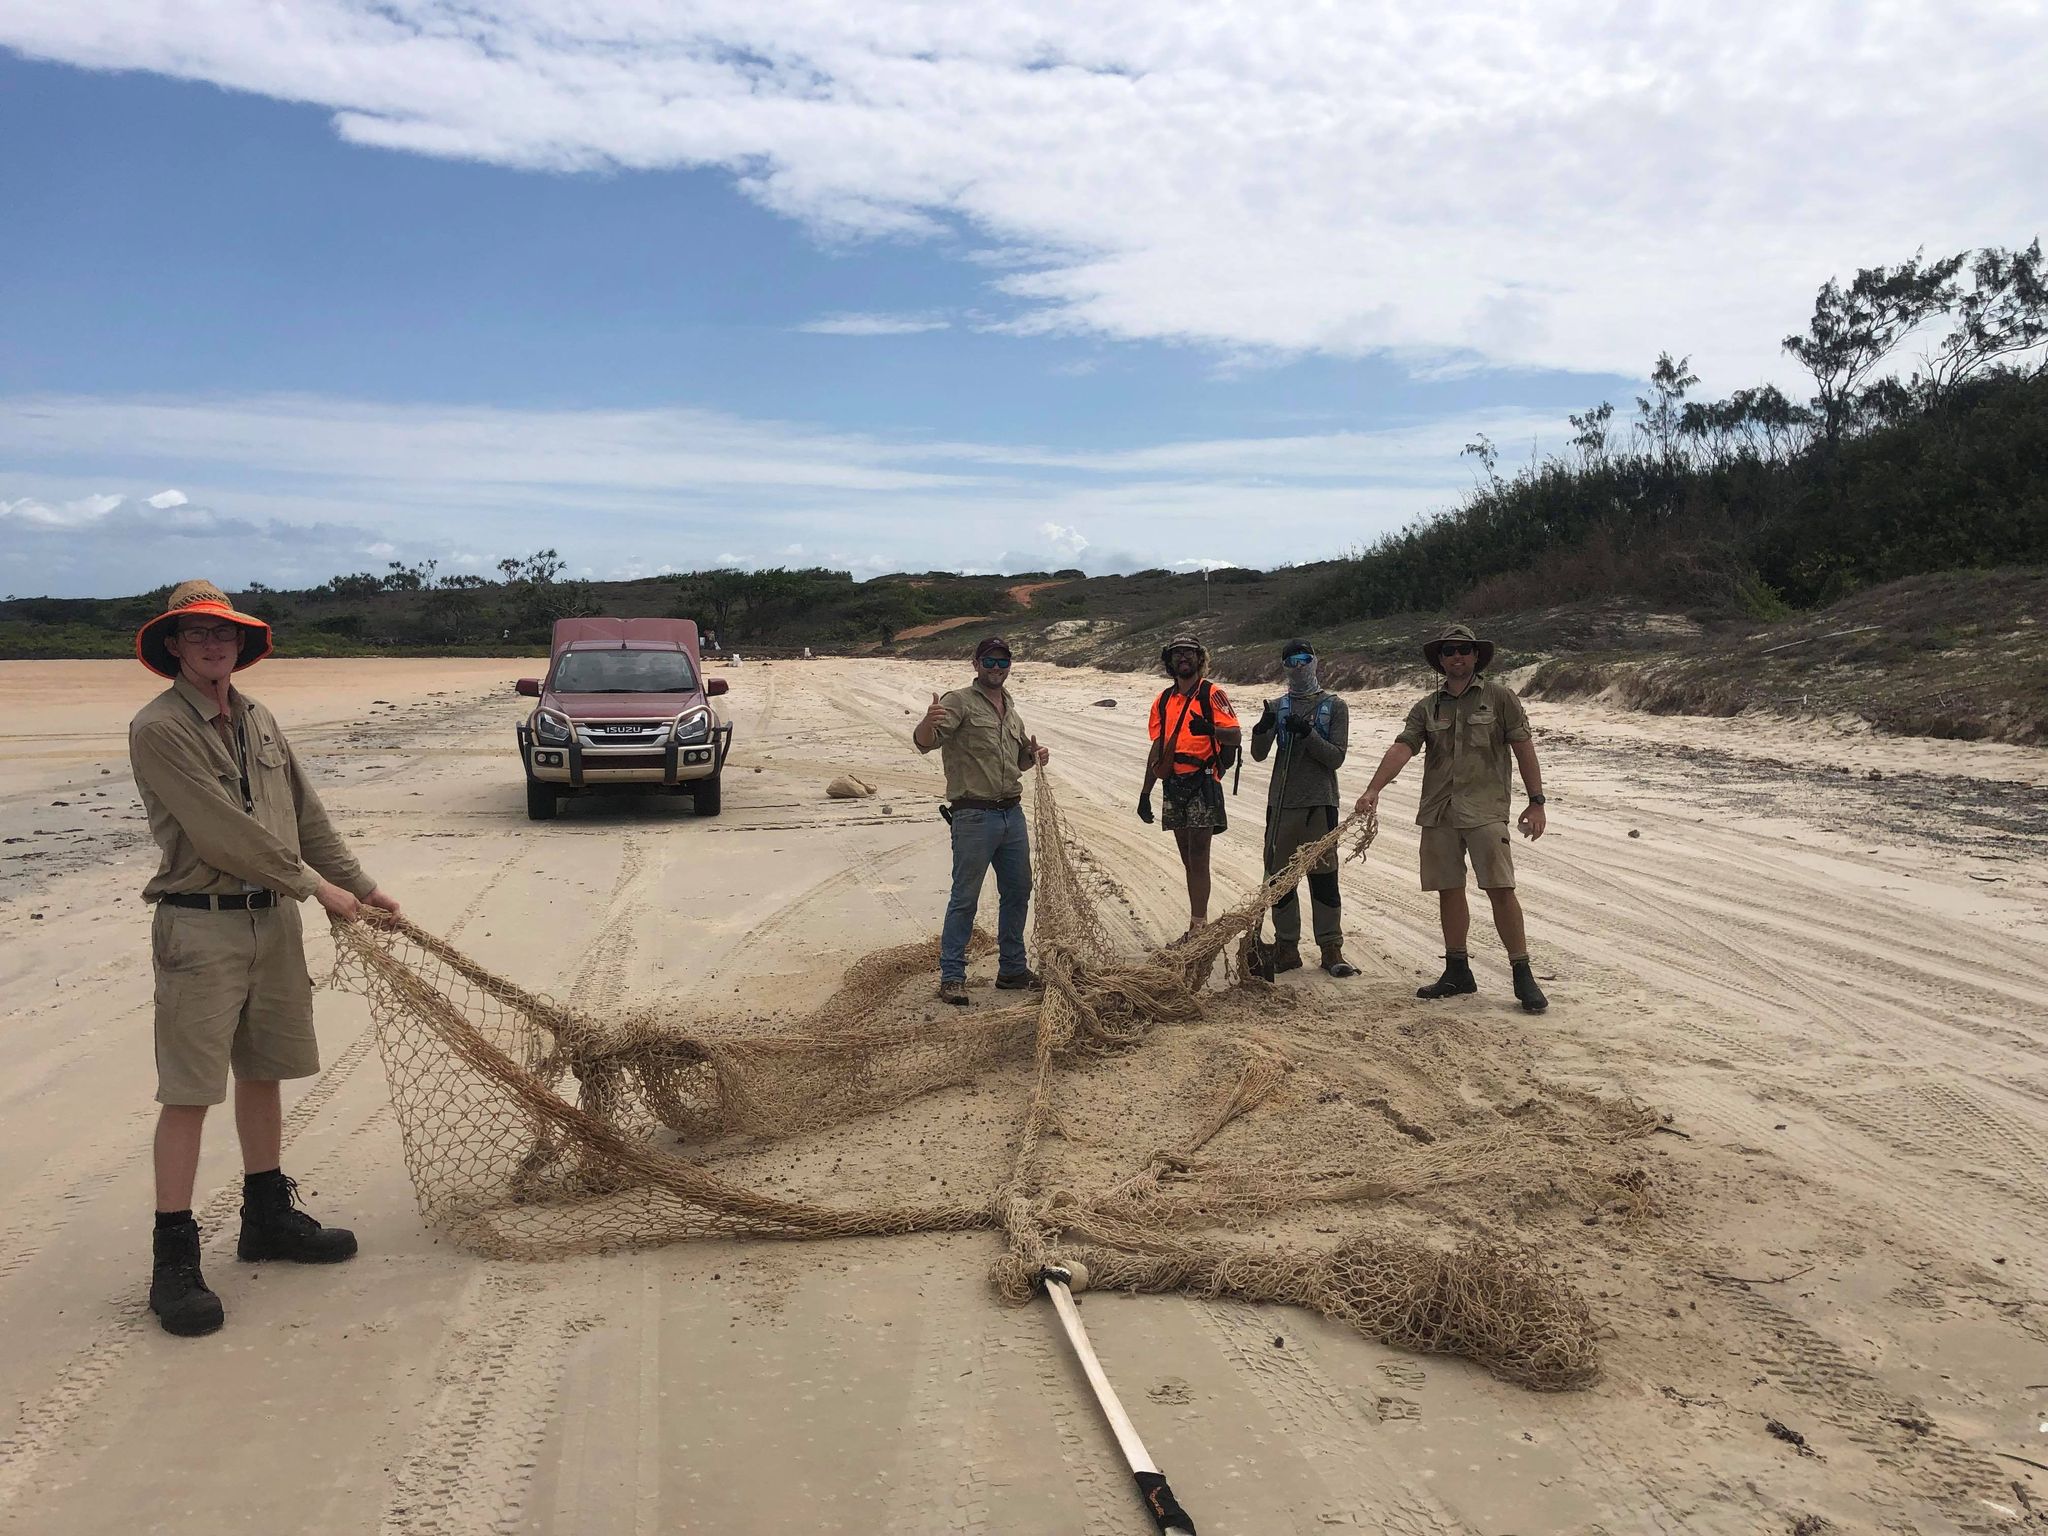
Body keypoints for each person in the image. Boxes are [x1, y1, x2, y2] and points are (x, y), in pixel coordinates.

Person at [128, 580, 402, 1337]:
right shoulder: (158, 730)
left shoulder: (258, 719)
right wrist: (319, 889)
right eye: (196, 634)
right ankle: (173, 1260)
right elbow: (224, 834)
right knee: (189, 1091)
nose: (213, 645)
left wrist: (362, 887)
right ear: (174, 648)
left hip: (272, 922)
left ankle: (267, 1215)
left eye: (225, 634)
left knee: (264, 1070)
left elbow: (305, 817)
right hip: (200, 926)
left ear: (242, 646)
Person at [1352, 623, 1548, 1013]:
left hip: (1486, 810)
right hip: (1439, 811)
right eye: (1448, 651)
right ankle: (1457, 969)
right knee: (1449, 888)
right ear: (1439, 660)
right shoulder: (1427, 706)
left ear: (1476, 656)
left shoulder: (1501, 698)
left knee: (1500, 888)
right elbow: (1403, 747)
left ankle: (1522, 974)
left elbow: (1524, 747)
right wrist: (1373, 789)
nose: (1456, 656)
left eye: (1464, 650)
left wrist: (1536, 801)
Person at [912, 636, 1051, 1004]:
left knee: (1018, 892)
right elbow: (925, 742)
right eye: (989, 661)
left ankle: (1012, 970)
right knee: (965, 898)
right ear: (975, 664)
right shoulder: (958, 702)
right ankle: (952, 976)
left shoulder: (1011, 708)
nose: (996, 668)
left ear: (1009, 667)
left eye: (1002, 662)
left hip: (1011, 813)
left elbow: (1019, 760)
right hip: (973, 815)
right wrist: (928, 722)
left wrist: (1035, 755)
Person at [1248, 639, 1357, 978]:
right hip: (1280, 803)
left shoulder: (1334, 706)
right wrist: (1263, 729)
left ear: (1314, 661)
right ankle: (1287, 947)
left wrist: (1307, 734)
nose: (1297, 667)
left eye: (1303, 659)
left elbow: (1335, 758)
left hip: (1320, 803)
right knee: (1280, 880)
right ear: (1283, 667)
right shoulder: (1277, 706)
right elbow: (1258, 754)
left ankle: (1331, 948)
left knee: (1324, 878)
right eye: (1290, 661)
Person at [1137, 636, 1241, 933]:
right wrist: (1145, 793)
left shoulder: (1212, 694)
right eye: (1177, 654)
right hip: (1173, 782)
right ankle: (1199, 920)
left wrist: (1210, 729)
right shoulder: (1164, 700)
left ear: (1200, 659)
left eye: (1189, 653)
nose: (1183, 658)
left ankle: (1198, 926)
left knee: (1198, 854)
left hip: (1204, 780)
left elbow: (1235, 736)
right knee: (1187, 857)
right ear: (1169, 661)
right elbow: (1158, 748)